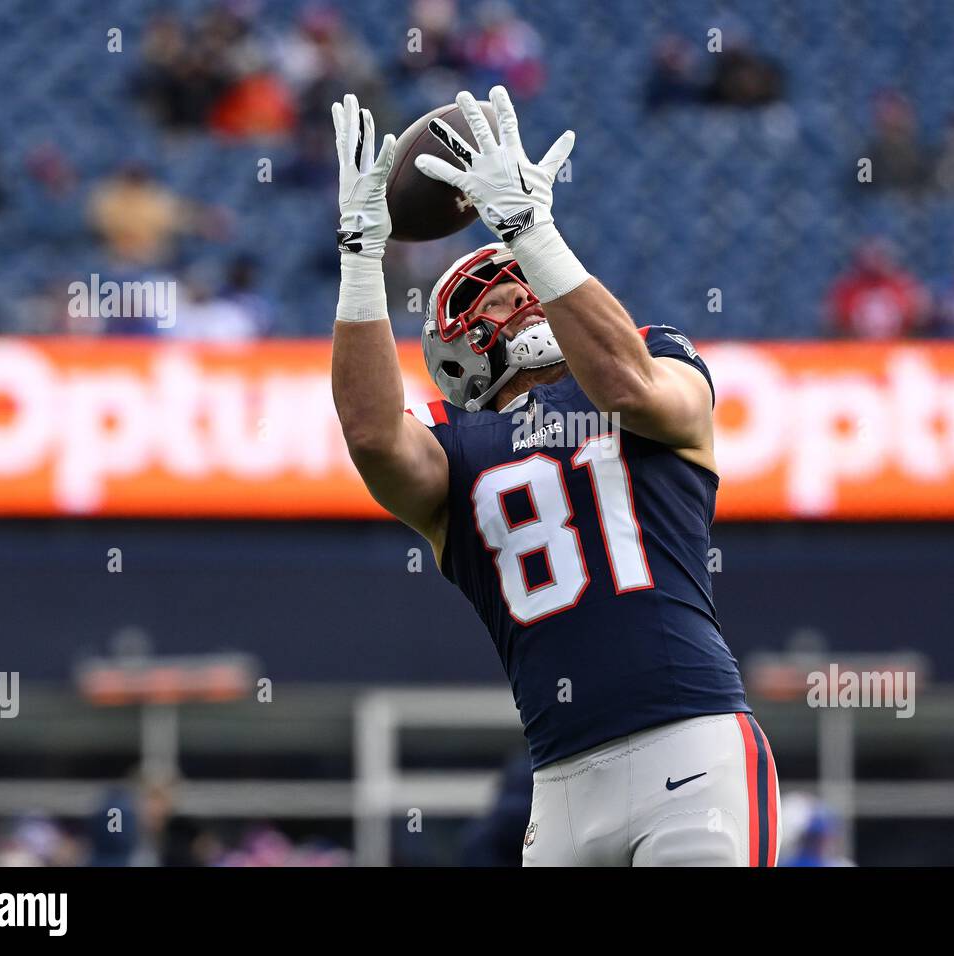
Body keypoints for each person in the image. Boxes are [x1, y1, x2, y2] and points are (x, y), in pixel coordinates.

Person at [329, 88, 780, 866]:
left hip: (692, 744)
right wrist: (362, 256)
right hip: (560, 789)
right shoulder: (455, 448)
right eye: (497, 297)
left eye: (527, 283)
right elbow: (372, 435)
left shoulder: (653, 364)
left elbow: (628, 386)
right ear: (457, 351)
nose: (523, 299)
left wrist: (532, 230)